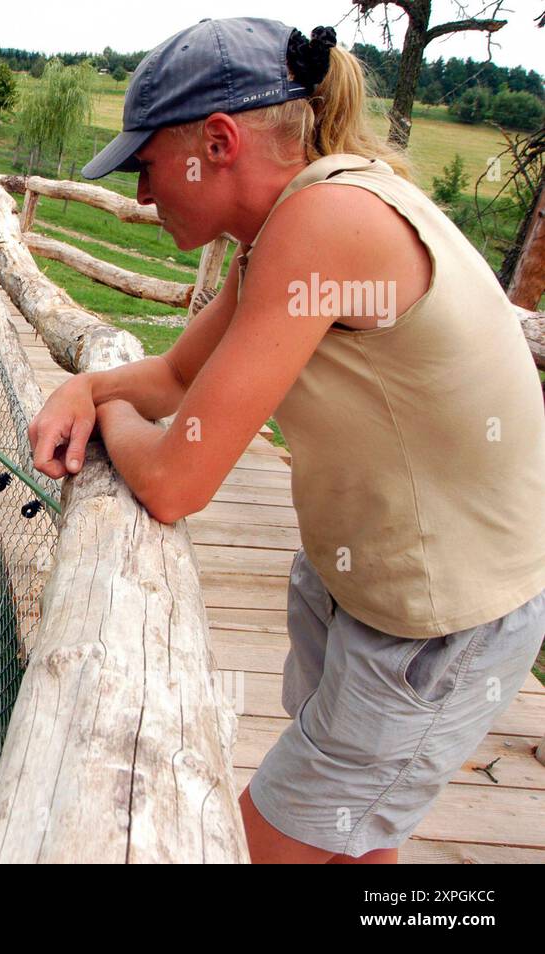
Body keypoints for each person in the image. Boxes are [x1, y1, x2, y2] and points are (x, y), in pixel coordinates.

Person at [27, 16, 545, 863]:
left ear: (220, 141)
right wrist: (90, 386)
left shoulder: (324, 223)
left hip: (437, 624)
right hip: (368, 585)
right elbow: (172, 380)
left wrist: (98, 412)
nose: (142, 198)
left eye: (148, 167)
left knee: (252, 848)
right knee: (350, 836)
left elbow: (173, 482)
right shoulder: (300, 219)